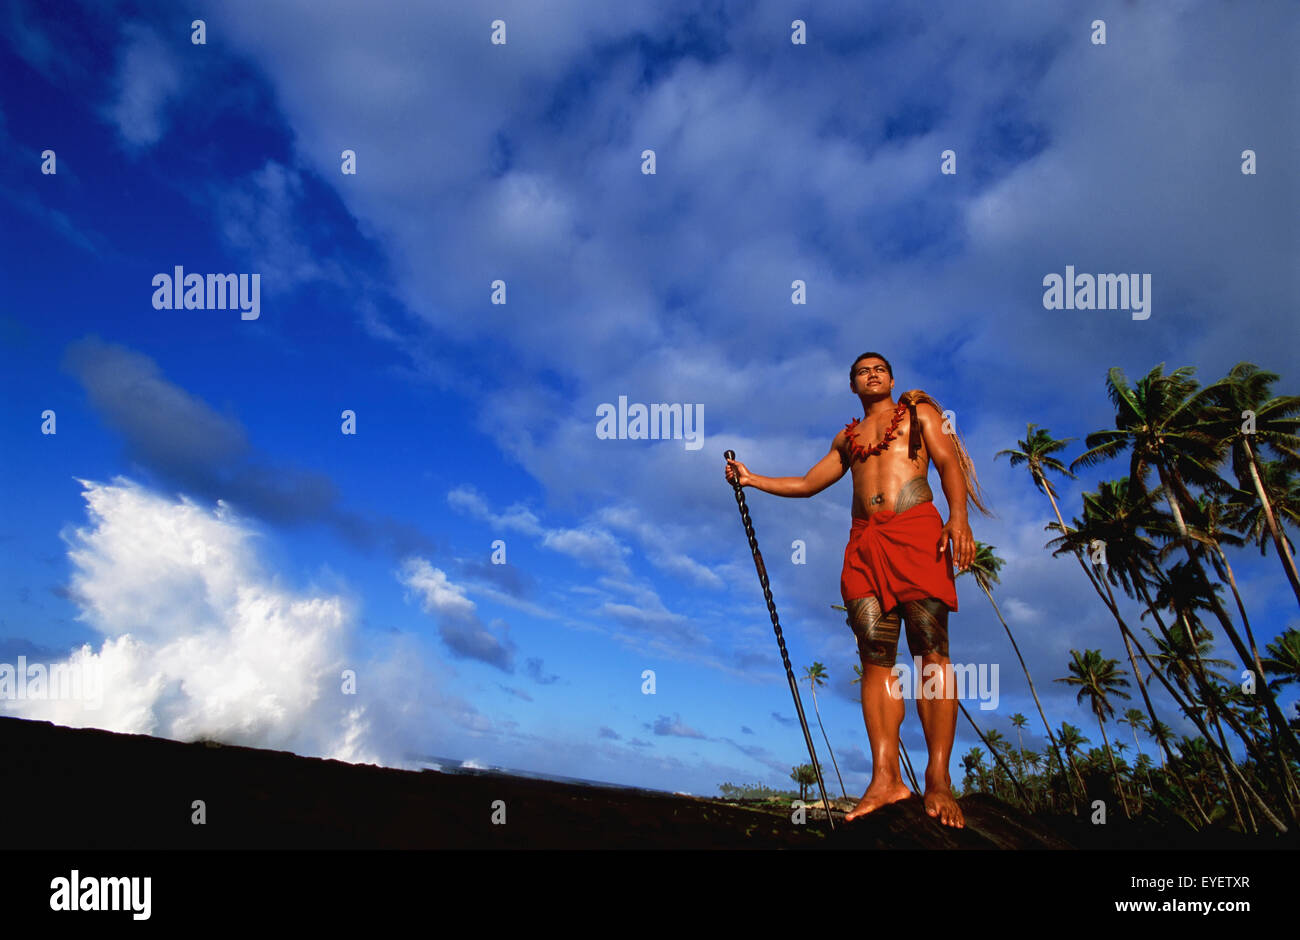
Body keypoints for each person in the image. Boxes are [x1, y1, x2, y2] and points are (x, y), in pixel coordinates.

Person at [724, 352, 991, 827]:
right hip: (863, 545)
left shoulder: (919, 415)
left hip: (916, 532)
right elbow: (809, 483)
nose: (872, 374)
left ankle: (937, 779)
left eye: (879, 369)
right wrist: (751, 478)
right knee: (875, 657)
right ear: (853, 386)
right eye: (862, 371)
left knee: (931, 652)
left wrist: (960, 520)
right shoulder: (847, 438)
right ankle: (885, 778)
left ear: (891, 378)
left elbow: (949, 464)